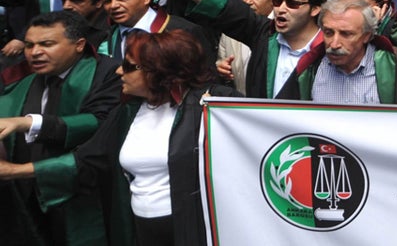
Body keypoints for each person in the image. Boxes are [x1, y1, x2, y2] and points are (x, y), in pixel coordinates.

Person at [0, 29, 238, 246]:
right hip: (139, 228)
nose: (118, 70)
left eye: (129, 65)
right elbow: (87, 159)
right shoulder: (127, 112)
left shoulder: (209, 104)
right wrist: (14, 171)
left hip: (193, 231)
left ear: (157, 71)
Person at [140, 0, 324, 99]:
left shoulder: (330, 47)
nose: (281, 9)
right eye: (277, 1)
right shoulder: (264, 35)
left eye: (292, 4)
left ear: (315, 9)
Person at [0, 11, 121, 246]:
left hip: (85, 193)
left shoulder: (108, 73)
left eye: (47, 44)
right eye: (29, 45)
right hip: (30, 198)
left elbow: (99, 122)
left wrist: (27, 122)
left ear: (79, 45)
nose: (35, 52)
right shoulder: (21, 80)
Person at [279, 0, 397, 104]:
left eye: (346, 34)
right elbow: (280, 116)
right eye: (328, 32)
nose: (334, 43)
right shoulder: (309, 68)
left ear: (367, 36)